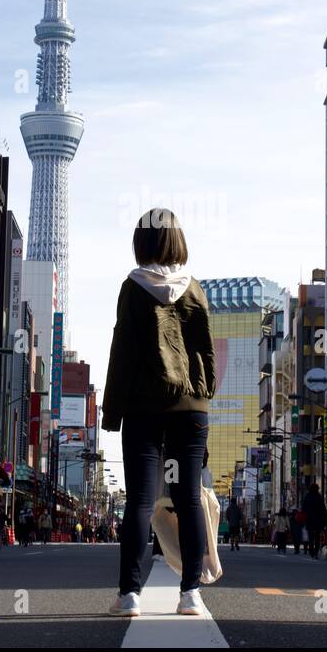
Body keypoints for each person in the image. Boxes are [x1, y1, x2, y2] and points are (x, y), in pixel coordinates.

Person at [102, 208, 216, 618]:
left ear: (142, 243)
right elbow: (205, 350)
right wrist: (204, 394)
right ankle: (190, 594)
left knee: (140, 502)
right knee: (188, 500)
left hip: (144, 405)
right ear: (177, 242)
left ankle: (129, 594)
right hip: (189, 407)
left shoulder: (133, 288)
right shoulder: (195, 289)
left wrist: (112, 412)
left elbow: (124, 353)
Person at [302, 484, 327, 559]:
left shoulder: (307, 497)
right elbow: (323, 509)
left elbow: (304, 509)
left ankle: (311, 551)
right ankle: (316, 552)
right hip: (318, 520)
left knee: (310, 537)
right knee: (317, 537)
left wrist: (306, 516)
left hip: (309, 520)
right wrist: (324, 519)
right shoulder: (319, 497)